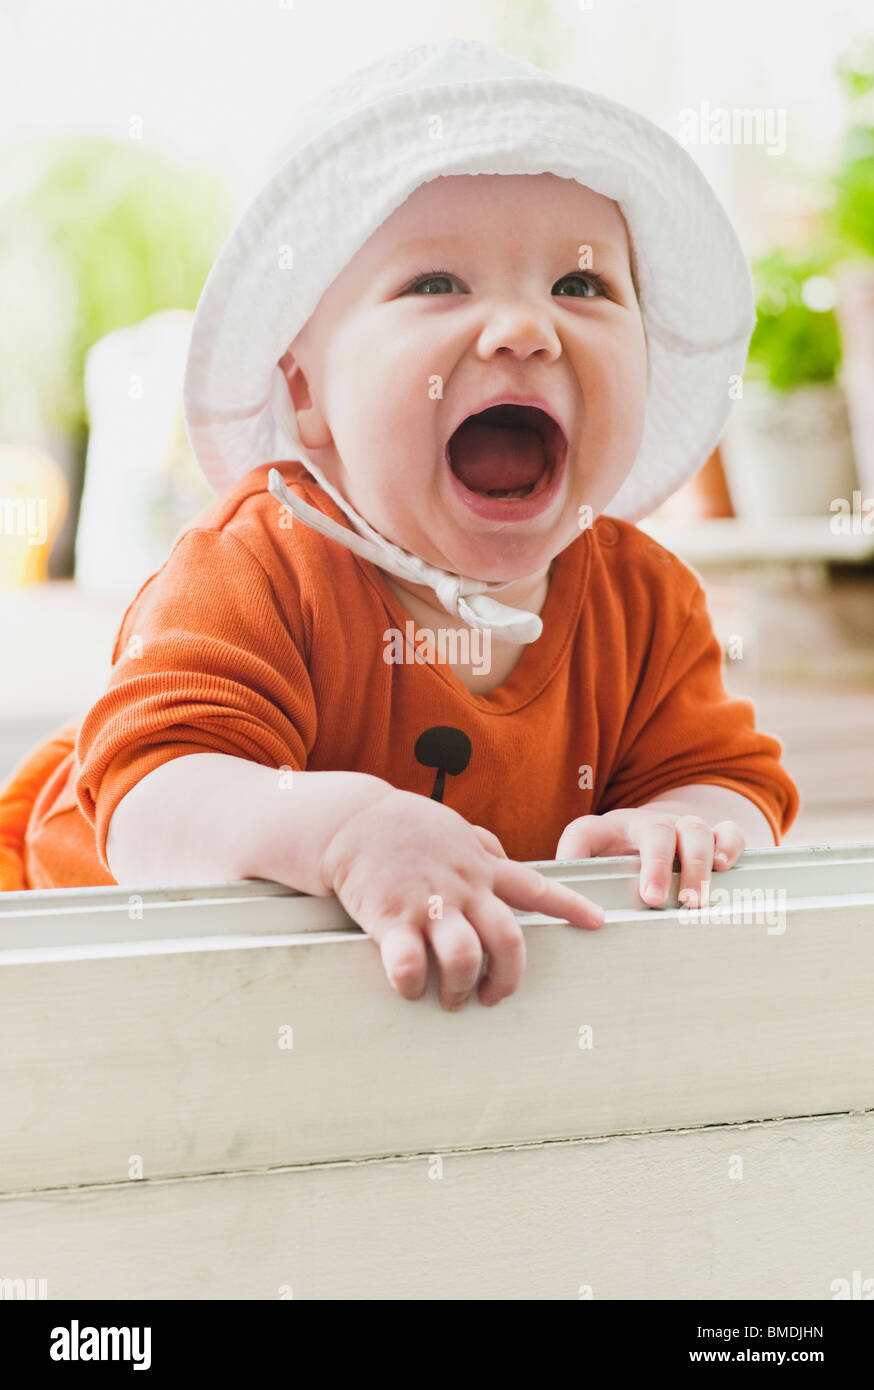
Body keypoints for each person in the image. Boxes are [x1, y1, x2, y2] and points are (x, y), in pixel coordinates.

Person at [0, 39, 799, 1013]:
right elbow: (147, 797)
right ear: (307, 393)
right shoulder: (262, 562)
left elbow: (731, 779)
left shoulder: (645, 600)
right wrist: (340, 830)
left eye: (581, 286)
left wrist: (689, 823)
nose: (524, 328)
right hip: (82, 985)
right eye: (437, 284)